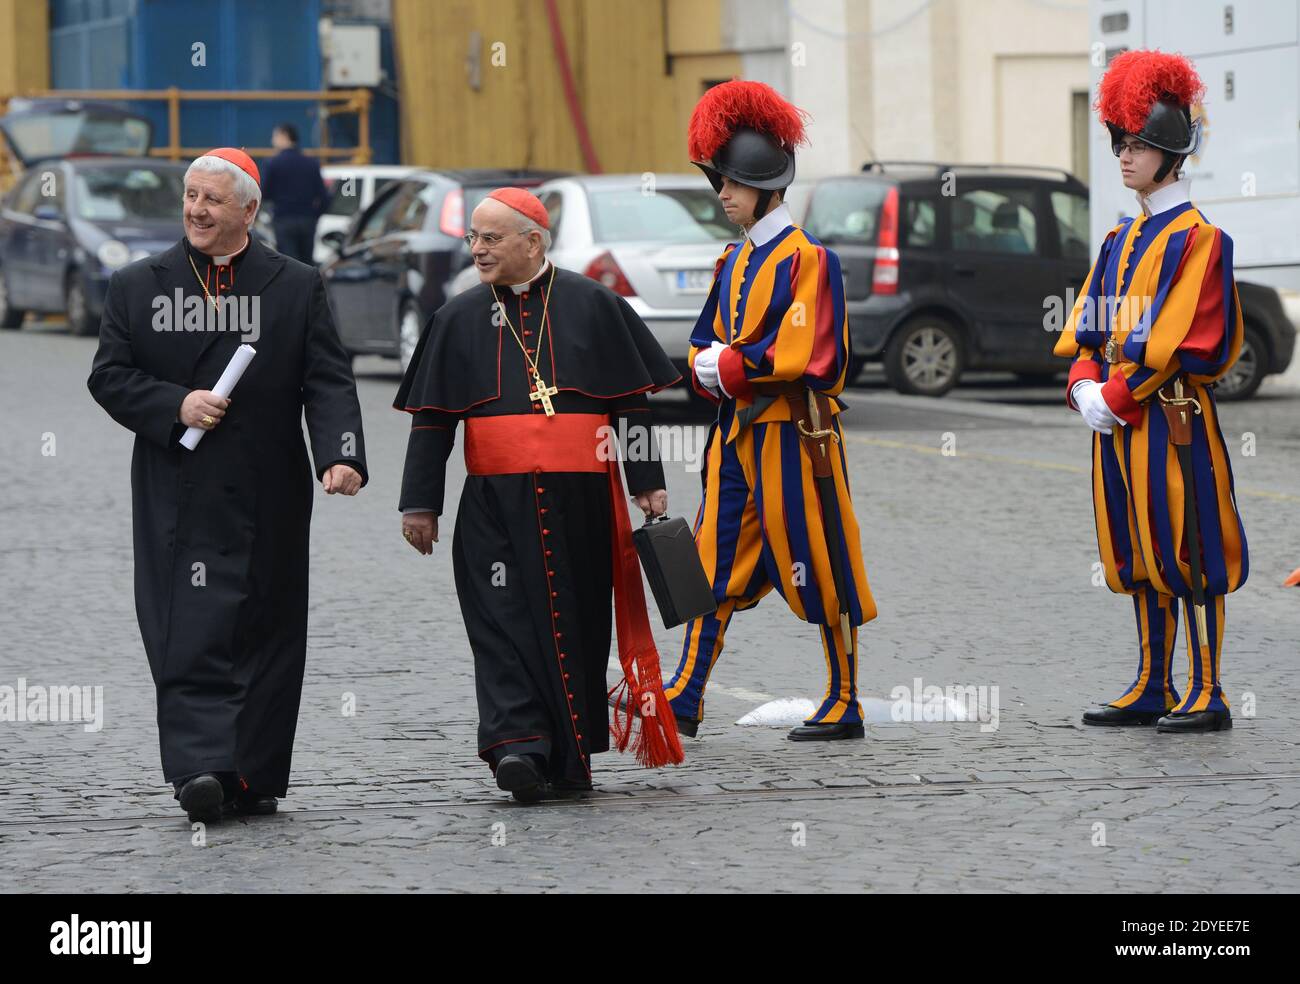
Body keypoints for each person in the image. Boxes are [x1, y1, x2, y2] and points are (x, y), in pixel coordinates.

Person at [87, 147, 368, 822]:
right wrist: (175, 406)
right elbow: (109, 376)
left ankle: (254, 771)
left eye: (212, 199)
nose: (197, 209)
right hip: (177, 486)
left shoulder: (295, 284)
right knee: (188, 625)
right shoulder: (138, 285)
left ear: (249, 210)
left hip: (269, 486)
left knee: (268, 628)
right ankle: (200, 769)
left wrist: (341, 452)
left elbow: (325, 377)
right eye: (190, 196)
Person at [394, 187, 684, 802]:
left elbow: (630, 406)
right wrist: (420, 503)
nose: (476, 248)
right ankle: (517, 746)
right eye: (472, 237)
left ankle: (569, 757)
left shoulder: (594, 304)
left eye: (491, 238)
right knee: (499, 623)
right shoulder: (457, 318)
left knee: (577, 627)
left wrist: (648, 483)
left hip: (581, 501)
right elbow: (431, 419)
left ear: (533, 242)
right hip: (493, 504)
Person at [664, 79, 877, 742]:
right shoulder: (734, 260)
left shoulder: (810, 260)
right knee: (704, 558)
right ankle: (687, 691)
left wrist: (724, 365)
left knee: (822, 555)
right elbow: (705, 339)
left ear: (764, 183)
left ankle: (844, 698)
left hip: (793, 432)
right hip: (735, 436)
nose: (721, 192)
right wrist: (709, 364)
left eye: (730, 181)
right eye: (717, 180)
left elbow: (809, 355)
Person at [1054, 50, 1248, 733]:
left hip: (1174, 421)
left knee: (1189, 545)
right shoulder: (1118, 239)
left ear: (1172, 156)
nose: (1125, 156)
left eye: (1139, 145)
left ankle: (1209, 688)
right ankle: (1153, 681)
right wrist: (1084, 387)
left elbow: (1184, 336)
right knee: (1135, 550)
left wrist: (1117, 393)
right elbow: (1087, 328)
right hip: (1120, 419)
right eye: (1122, 143)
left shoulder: (1202, 241)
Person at [260, 123, 328, 264]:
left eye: (275, 136)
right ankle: (308, 286)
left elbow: (264, 193)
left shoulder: (273, 163)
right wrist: (315, 215)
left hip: (283, 219)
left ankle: (291, 287)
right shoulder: (311, 163)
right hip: (307, 219)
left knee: (288, 263)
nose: (272, 140)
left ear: (284, 136)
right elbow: (323, 195)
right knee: (307, 263)